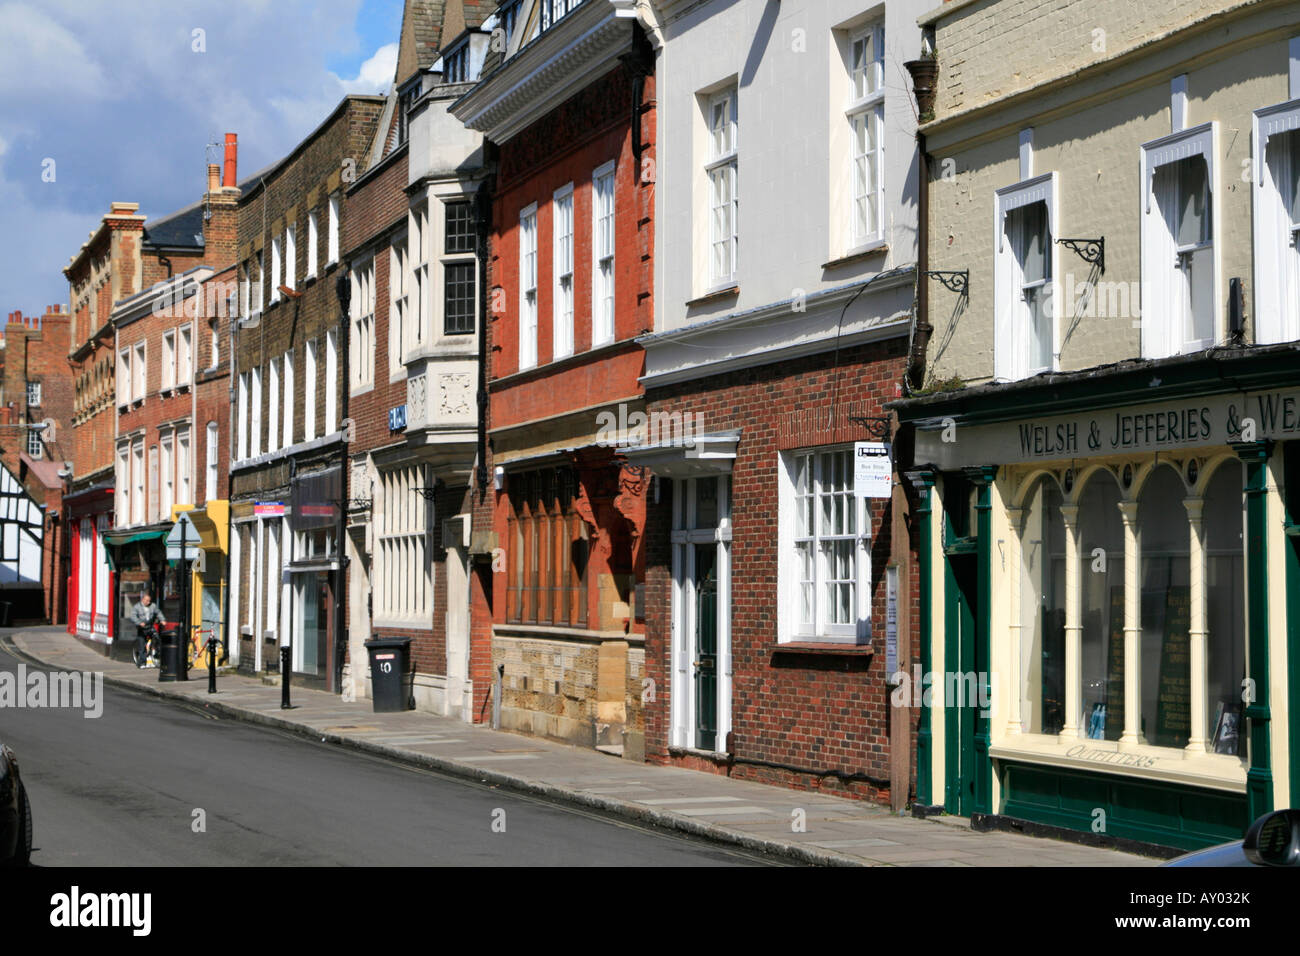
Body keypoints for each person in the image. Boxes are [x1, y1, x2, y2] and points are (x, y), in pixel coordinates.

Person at [130, 591, 164, 668]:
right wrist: (139, 622)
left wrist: (162, 620)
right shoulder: (137, 607)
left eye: (149, 600)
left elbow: (158, 613)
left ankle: (156, 655)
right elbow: (133, 616)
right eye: (147, 600)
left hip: (150, 626)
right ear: (143, 600)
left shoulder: (153, 606)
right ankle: (142, 663)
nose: (148, 602)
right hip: (142, 628)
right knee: (142, 645)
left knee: (157, 639)